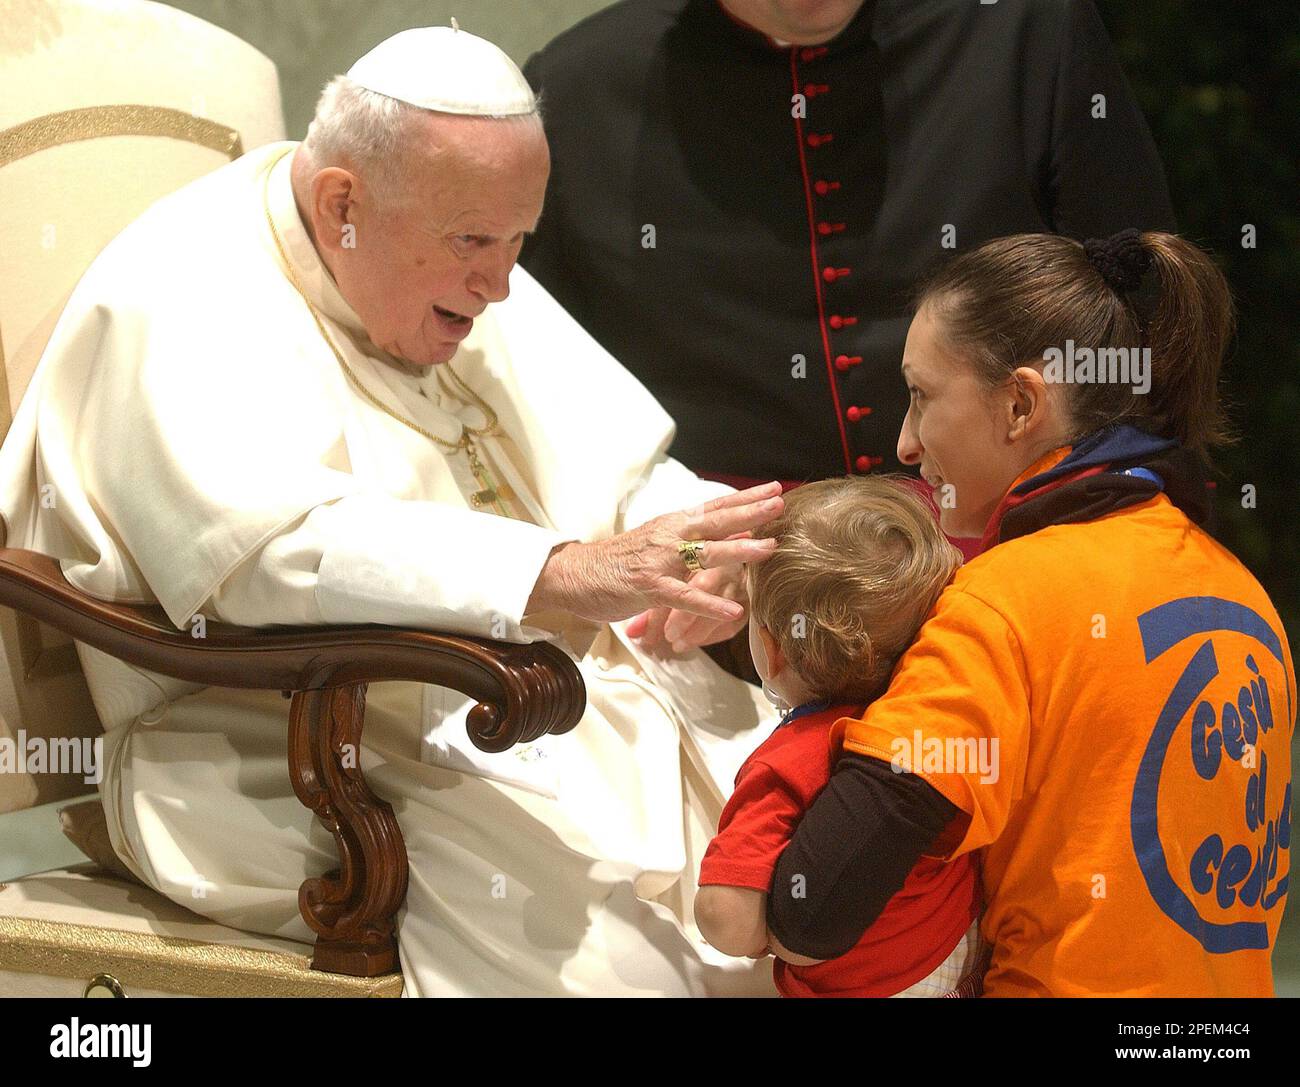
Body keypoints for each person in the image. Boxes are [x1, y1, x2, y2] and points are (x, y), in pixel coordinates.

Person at [0, 26, 791, 996]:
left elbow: (616, 461)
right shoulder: (173, 297)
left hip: (534, 701)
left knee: (819, 851)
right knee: (618, 969)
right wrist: (549, 573)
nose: (501, 287)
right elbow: (262, 552)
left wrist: (707, 537)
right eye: (473, 244)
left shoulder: (432, 248)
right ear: (342, 205)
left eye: (518, 244)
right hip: (282, 735)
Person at [763, 229, 1295, 996]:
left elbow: (809, 909)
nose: (906, 443)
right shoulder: (1246, 598)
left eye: (920, 395)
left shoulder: (1005, 601)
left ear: (1019, 404)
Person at [521, 0, 1176, 495]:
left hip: (1016, 553)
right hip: (725, 591)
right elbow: (559, 453)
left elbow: (1144, 341)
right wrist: (693, 561)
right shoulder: (574, 92)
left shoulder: (1023, 30)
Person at [693, 476, 985, 996]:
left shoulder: (784, 763)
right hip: (963, 950)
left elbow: (725, 916)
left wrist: (758, 931)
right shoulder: (937, 711)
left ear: (771, 647)